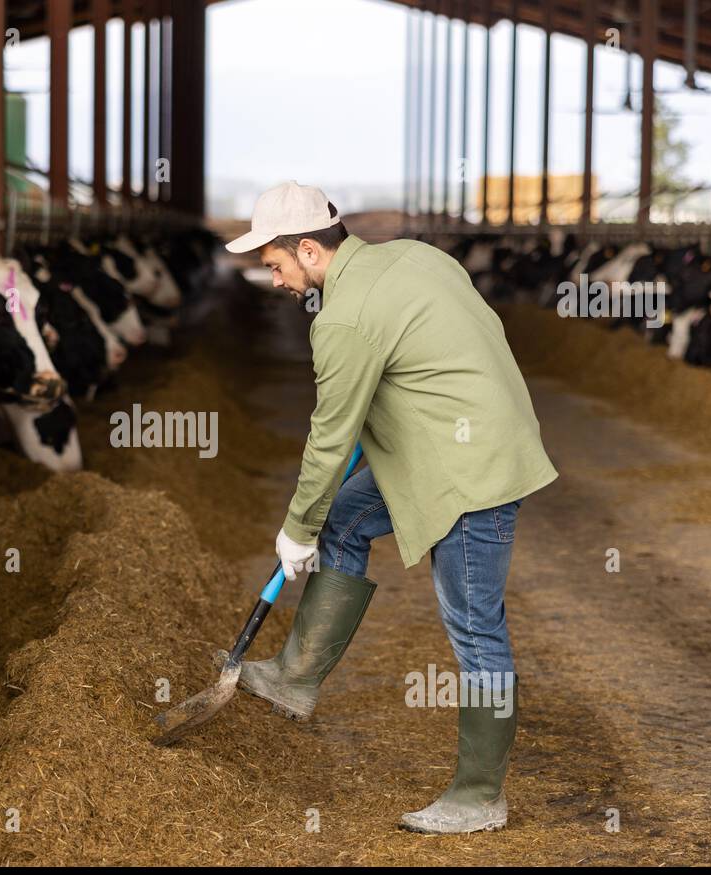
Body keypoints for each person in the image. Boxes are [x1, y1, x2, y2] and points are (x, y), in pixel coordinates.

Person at [225, 181, 558, 834]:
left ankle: (480, 796)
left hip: (471, 469)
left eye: (274, 264)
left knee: (474, 626)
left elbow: (330, 436)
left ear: (309, 250)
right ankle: (295, 677)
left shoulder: (344, 318)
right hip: (447, 437)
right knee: (344, 520)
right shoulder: (414, 256)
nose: (274, 280)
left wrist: (295, 531)